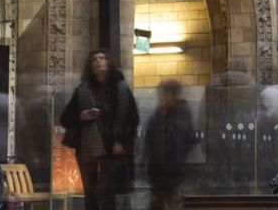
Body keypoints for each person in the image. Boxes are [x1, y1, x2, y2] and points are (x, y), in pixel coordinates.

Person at [60, 50, 139, 210]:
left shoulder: (120, 89)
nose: (98, 61)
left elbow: (131, 119)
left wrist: (120, 141)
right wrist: (80, 116)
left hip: (112, 149)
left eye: (102, 58)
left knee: (108, 194)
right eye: (95, 59)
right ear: (90, 65)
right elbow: (65, 118)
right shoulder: (83, 89)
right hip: (88, 149)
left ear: (108, 62)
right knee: (90, 194)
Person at [145, 79, 198, 210]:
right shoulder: (157, 114)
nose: (161, 98)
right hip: (158, 171)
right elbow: (150, 140)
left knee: (173, 203)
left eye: (164, 94)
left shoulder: (182, 114)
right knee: (157, 204)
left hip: (173, 171)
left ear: (173, 95)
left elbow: (184, 140)